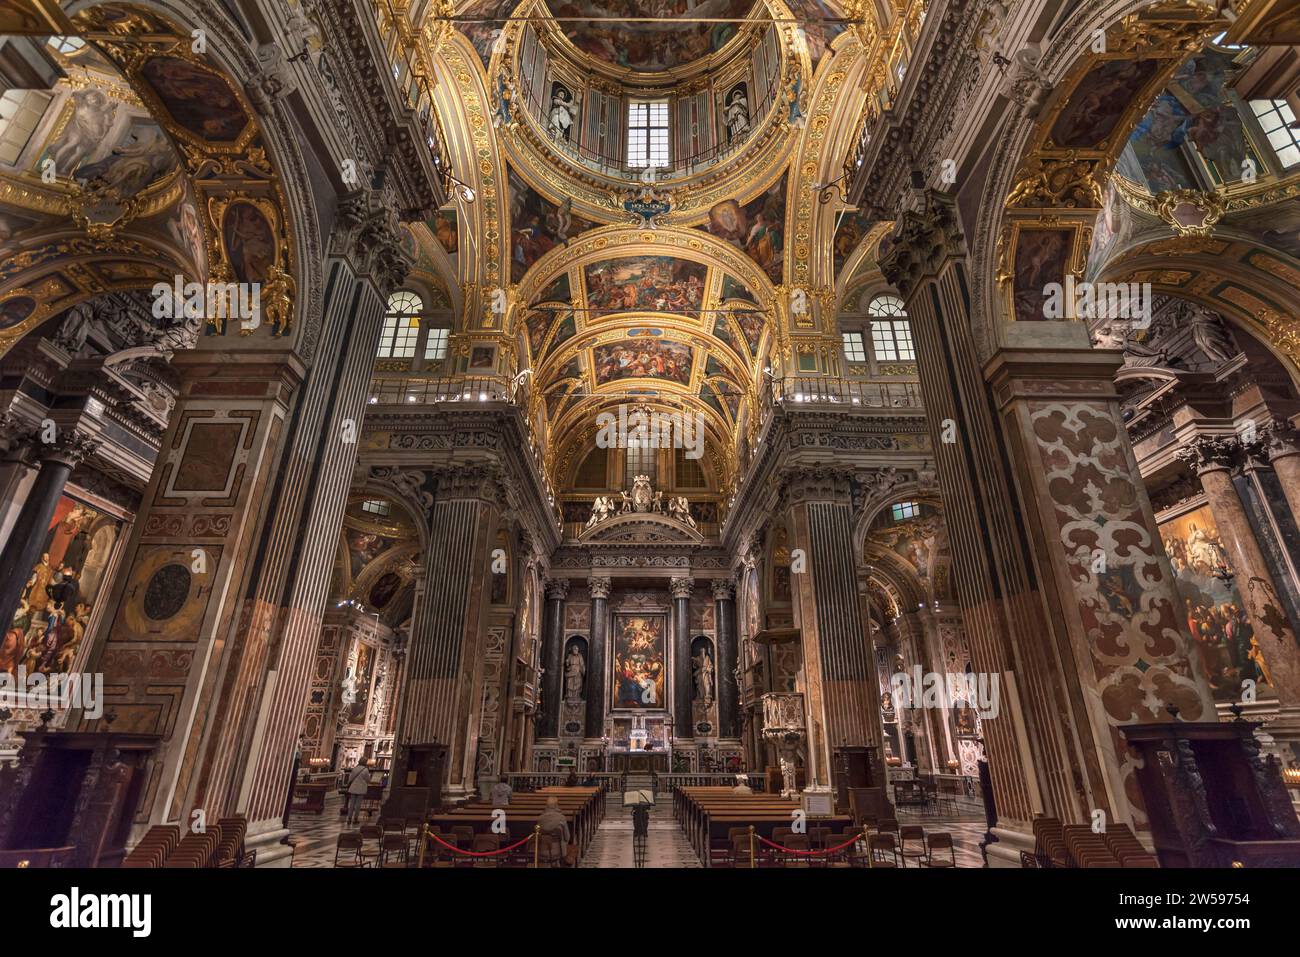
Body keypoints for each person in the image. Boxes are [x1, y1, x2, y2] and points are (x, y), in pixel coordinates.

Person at [537, 796, 571, 866]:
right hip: (558, 851)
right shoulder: (561, 818)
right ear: (556, 805)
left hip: (542, 850)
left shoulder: (540, 818)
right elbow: (567, 837)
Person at [344, 757, 370, 826]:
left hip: (353, 788)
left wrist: (348, 785)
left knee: (352, 803)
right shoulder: (365, 770)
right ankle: (355, 818)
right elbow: (368, 780)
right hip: (361, 788)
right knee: (358, 804)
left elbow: (350, 778)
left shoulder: (355, 768)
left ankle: (349, 818)